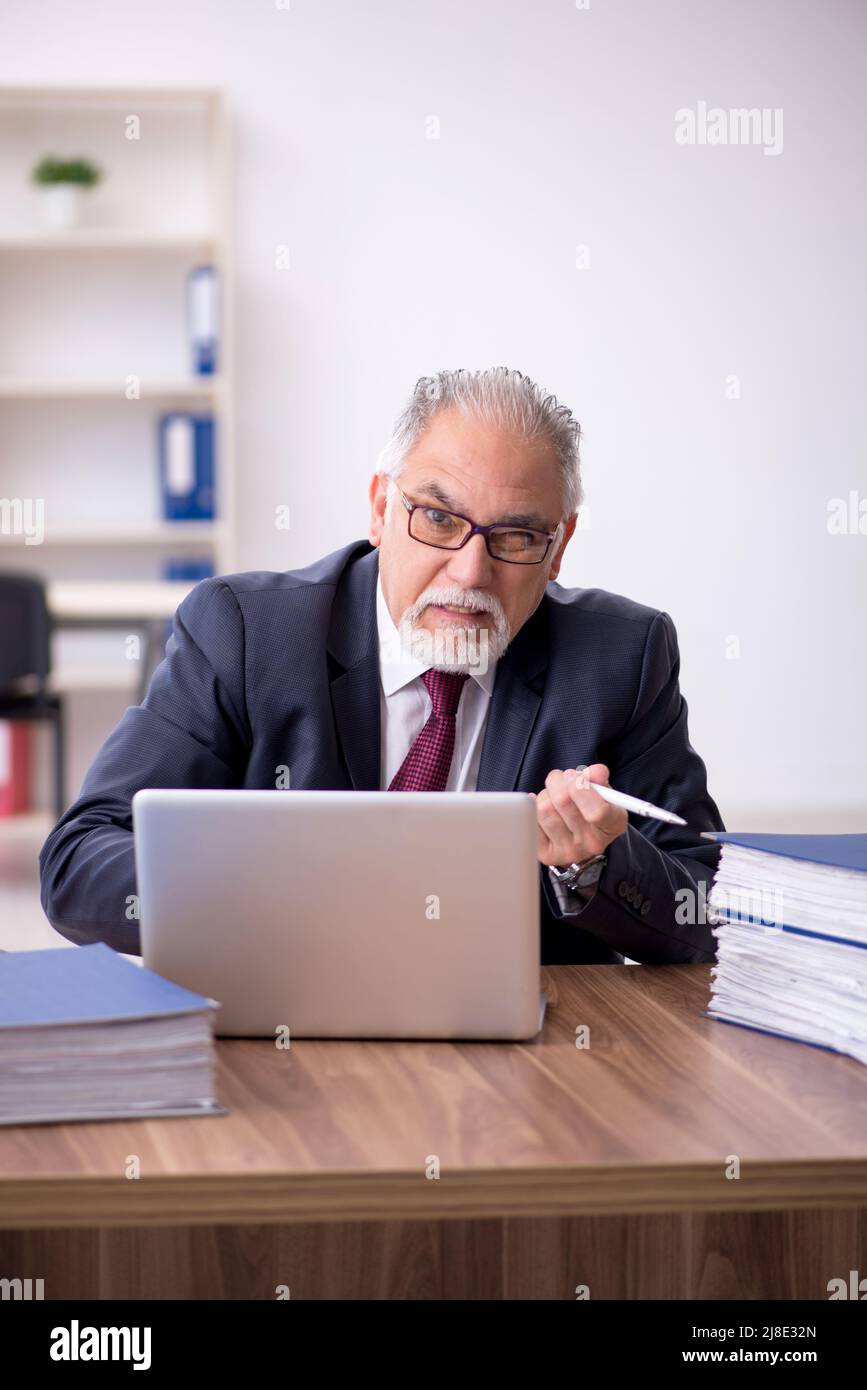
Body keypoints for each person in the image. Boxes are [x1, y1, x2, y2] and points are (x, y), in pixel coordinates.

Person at [40, 366, 724, 963]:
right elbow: (78, 867)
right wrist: (271, 888)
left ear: (559, 545)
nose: (469, 570)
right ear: (379, 507)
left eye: (515, 535)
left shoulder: (622, 656)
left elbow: (708, 912)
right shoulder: (243, 632)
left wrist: (596, 862)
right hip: (285, 1027)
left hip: (530, 1065)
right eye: (436, 518)